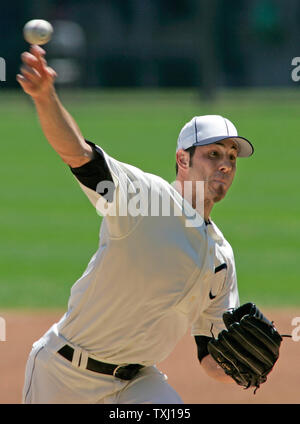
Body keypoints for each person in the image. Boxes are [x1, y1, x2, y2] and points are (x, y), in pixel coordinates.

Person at [17, 45, 254, 404]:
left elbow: (209, 353)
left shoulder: (221, 257)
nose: (225, 165)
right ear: (183, 159)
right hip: (64, 376)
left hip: (137, 384)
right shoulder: (145, 198)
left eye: (232, 158)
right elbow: (78, 154)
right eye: (213, 154)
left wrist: (241, 366)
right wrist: (46, 97)